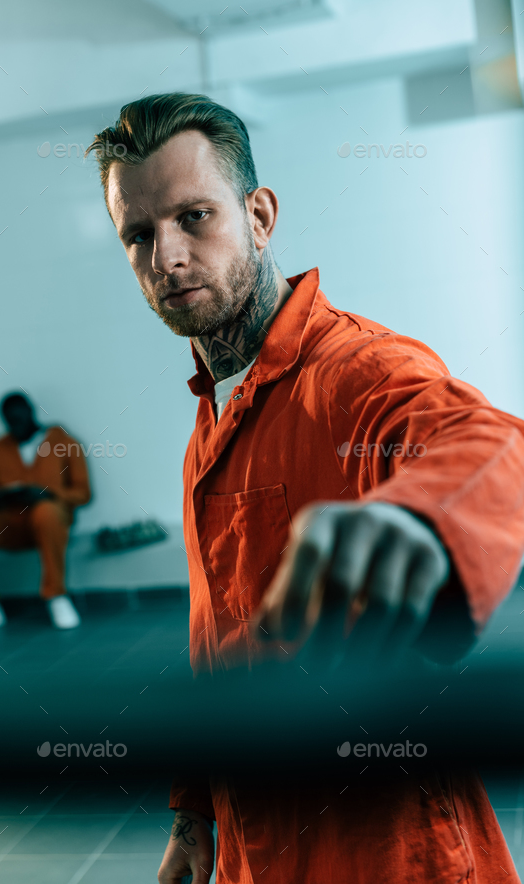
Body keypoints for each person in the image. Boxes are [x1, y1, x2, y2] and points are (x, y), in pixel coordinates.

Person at [87, 93, 524, 883]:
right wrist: (195, 812)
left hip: (390, 854)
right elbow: (212, 642)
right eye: (139, 235)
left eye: (193, 217)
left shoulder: (353, 373)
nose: (168, 257)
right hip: (257, 849)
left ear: (259, 215)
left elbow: (490, 444)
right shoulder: (209, 425)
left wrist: (420, 521)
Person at [0, 393, 91, 637]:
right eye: (9, 422)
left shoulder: (64, 442)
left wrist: (48, 494)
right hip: (10, 524)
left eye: (18, 419)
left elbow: (83, 493)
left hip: (49, 521)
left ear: (31, 412)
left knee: (46, 512)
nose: (14, 426)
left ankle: (56, 596)